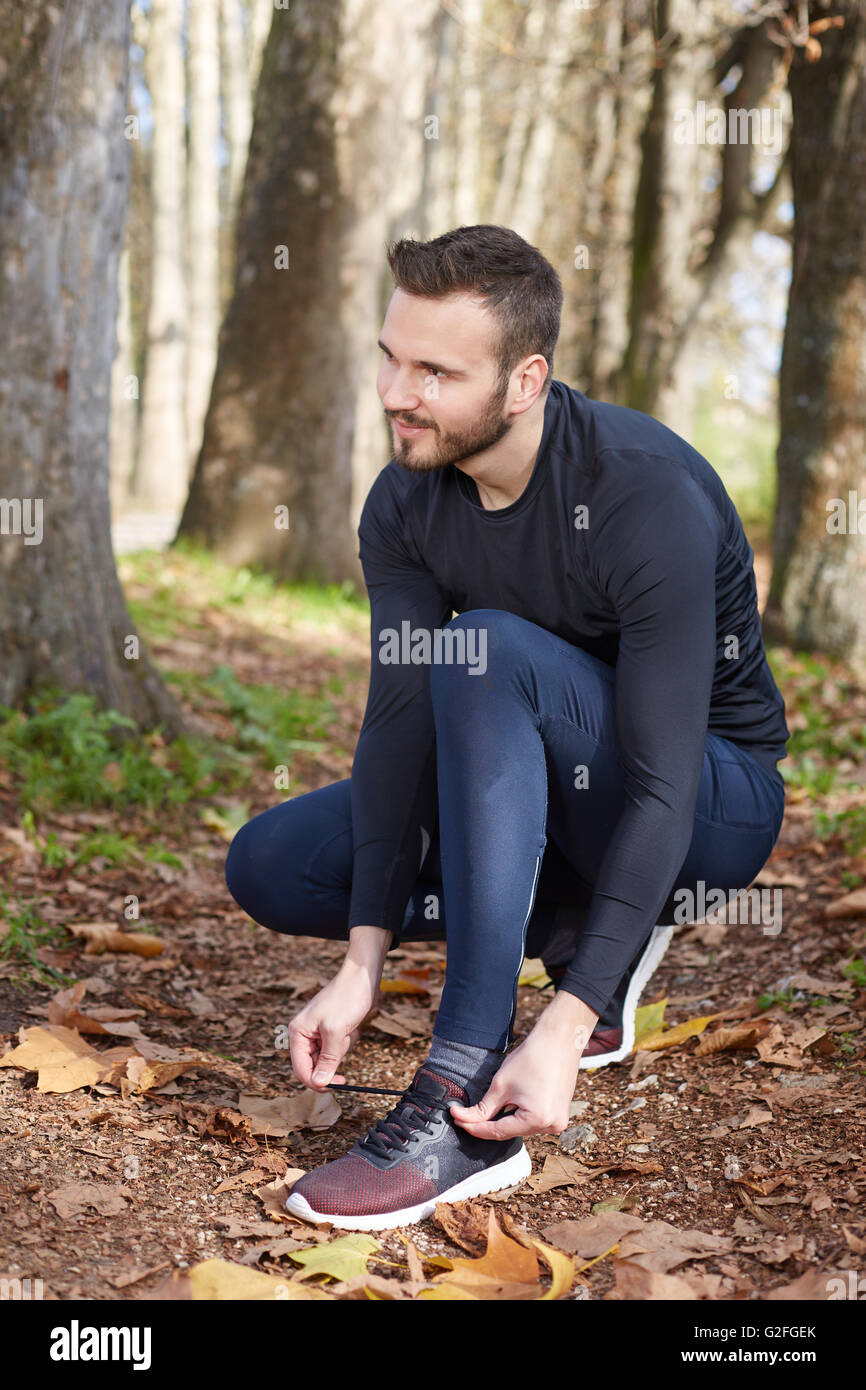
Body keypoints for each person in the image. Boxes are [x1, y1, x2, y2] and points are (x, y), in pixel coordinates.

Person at [224, 224, 789, 1231]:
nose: (399, 394)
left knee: (483, 649)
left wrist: (562, 1026)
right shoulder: (403, 499)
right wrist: (359, 964)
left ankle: (459, 1102)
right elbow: (398, 726)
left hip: (705, 795)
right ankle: (576, 927)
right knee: (273, 864)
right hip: (544, 784)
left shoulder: (637, 491)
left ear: (524, 381)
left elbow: (660, 782)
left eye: (435, 372)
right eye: (391, 359)